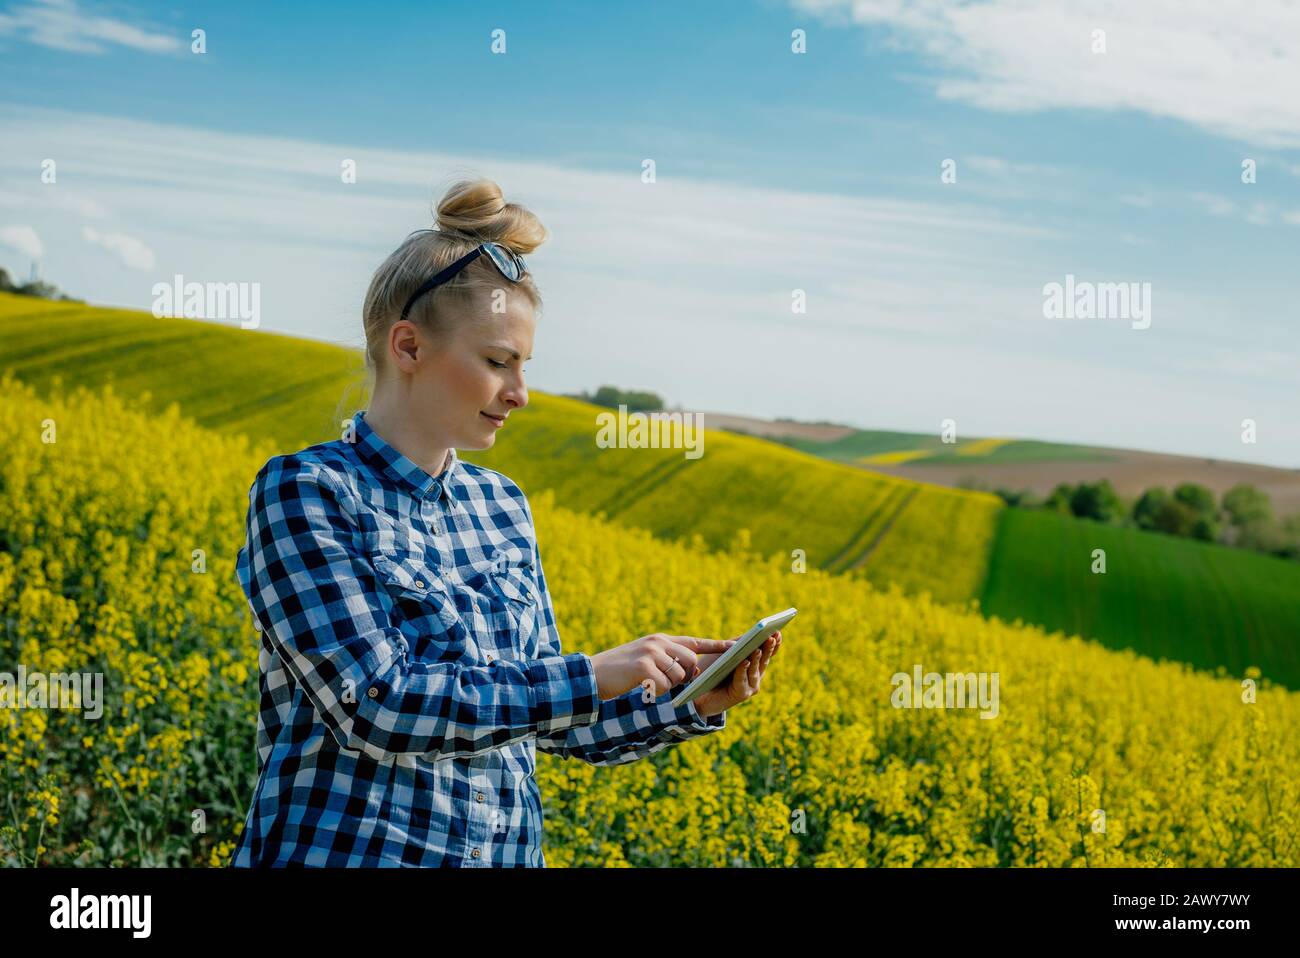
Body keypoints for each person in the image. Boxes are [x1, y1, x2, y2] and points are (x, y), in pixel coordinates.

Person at [229, 176, 781, 867]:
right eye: (498, 363)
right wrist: (592, 673)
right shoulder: (306, 493)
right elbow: (375, 706)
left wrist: (687, 702)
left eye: (524, 367)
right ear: (408, 347)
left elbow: (550, 723)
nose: (520, 394)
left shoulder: (503, 506)